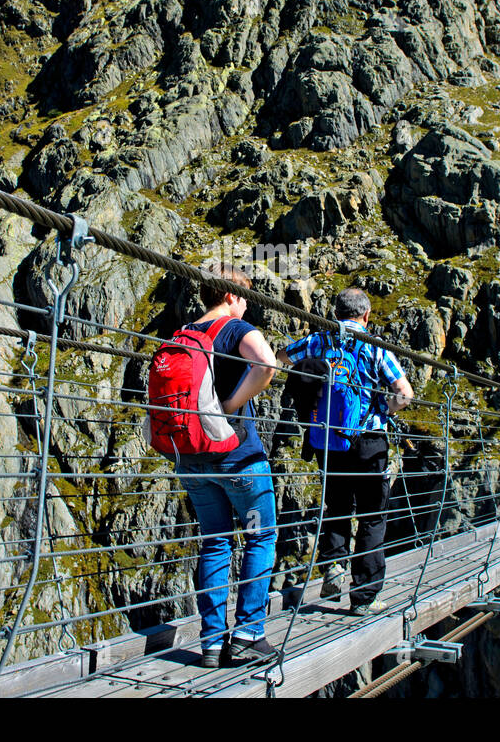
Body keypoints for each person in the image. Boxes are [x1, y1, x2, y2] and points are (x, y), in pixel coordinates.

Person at [277, 288, 413, 616]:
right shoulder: (376, 347)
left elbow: (280, 357)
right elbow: (404, 393)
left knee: (336, 504)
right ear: (366, 315)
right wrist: (384, 408)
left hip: (328, 440)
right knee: (371, 516)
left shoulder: (318, 340)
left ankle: (334, 568)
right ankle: (365, 596)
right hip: (369, 441)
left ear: (335, 313)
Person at [174, 263, 279, 667]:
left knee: (216, 541)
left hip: (192, 460)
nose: (247, 306)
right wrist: (231, 407)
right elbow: (267, 365)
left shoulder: (181, 334)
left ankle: (212, 643)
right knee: (260, 537)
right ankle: (250, 634)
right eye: (246, 298)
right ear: (232, 297)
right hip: (238, 457)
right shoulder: (234, 329)